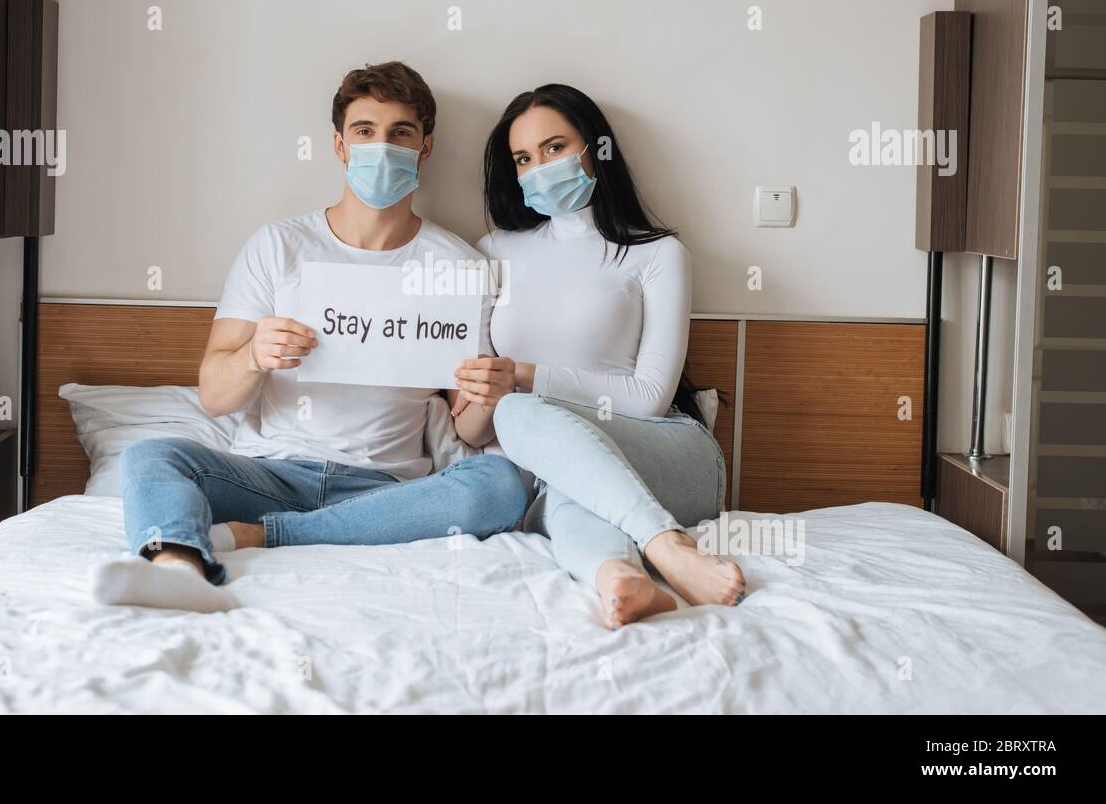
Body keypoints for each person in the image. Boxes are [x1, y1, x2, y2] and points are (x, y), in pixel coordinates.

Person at [92, 62, 525, 612]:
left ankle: (258, 536)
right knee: (151, 455)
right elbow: (212, 395)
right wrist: (253, 356)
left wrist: (488, 396)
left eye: (400, 133)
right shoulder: (278, 247)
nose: (381, 147)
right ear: (340, 146)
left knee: (502, 483)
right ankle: (177, 566)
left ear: (425, 147)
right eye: (365, 132)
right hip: (268, 474)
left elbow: (466, 425)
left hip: (387, 489)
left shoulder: (458, 264)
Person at [474, 84, 746, 629]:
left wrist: (527, 375)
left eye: (554, 148)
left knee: (518, 409)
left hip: (667, 450)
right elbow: (478, 404)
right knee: (561, 486)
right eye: (523, 158)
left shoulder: (658, 254)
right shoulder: (494, 252)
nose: (538, 168)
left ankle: (666, 545)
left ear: (596, 149)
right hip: (557, 463)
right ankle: (617, 578)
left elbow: (648, 399)